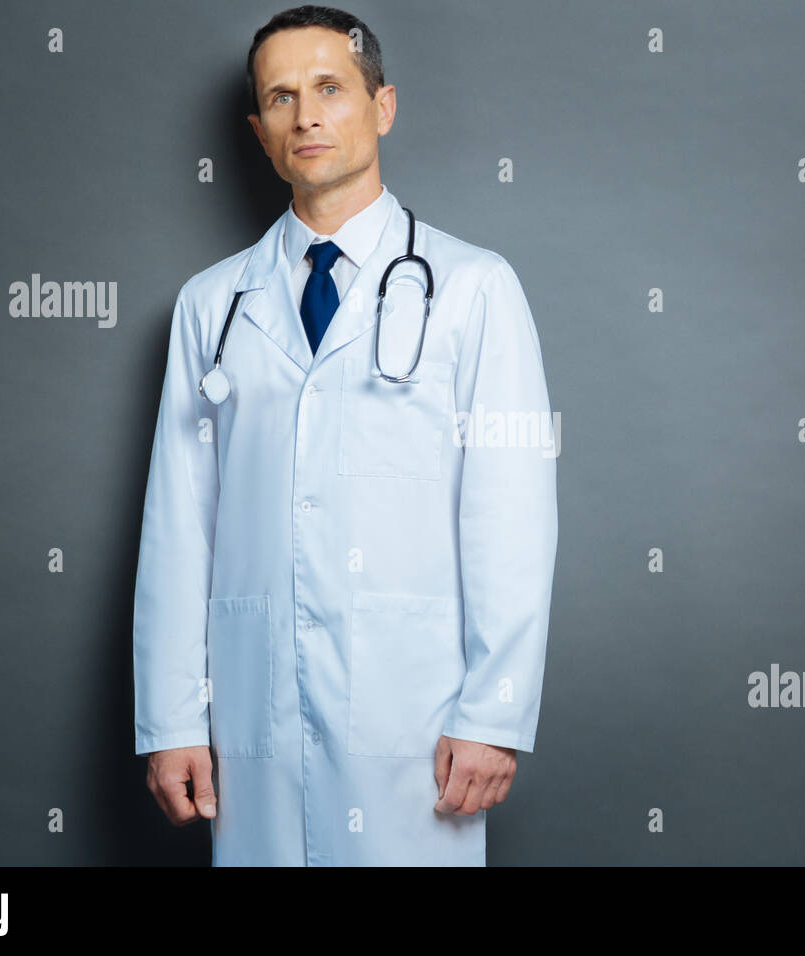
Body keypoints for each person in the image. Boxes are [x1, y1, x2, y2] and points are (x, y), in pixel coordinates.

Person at [131, 5, 558, 866]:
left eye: (330, 88)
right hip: (256, 717)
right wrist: (172, 718)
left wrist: (494, 712)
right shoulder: (213, 306)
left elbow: (511, 518)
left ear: (383, 105)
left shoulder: (473, 289)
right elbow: (180, 525)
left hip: (416, 718)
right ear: (257, 131)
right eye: (281, 97)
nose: (308, 115)